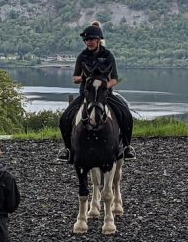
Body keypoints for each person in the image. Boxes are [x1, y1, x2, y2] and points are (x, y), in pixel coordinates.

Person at [57, 21, 135, 163]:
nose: (88, 42)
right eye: (86, 40)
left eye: (91, 39)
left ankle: (127, 147)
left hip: (105, 95)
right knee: (64, 118)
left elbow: (115, 79)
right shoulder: (82, 56)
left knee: (126, 115)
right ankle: (67, 149)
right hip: (86, 94)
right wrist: (85, 79)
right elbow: (75, 78)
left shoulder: (108, 56)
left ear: (98, 40)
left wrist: (105, 86)